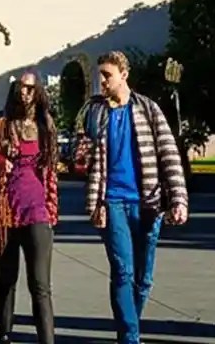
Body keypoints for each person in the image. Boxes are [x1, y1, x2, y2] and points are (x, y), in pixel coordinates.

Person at [80, 52, 188, 344]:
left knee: (144, 278)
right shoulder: (96, 112)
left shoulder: (147, 108)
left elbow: (169, 155)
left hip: (148, 202)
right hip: (112, 200)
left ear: (124, 74)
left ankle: (129, 328)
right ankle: (129, 338)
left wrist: (178, 198)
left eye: (107, 75)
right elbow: (87, 160)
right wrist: (95, 204)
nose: (101, 81)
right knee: (122, 270)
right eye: (99, 75)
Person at [0, 71, 59, 344]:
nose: (25, 93)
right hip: (5, 211)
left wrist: (52, 207)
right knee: (7, 279)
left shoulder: (46, 126)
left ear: (39, 93)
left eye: (30, 89)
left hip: (38, 212)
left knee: (40, 286)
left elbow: (51, 171)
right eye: (21, 88)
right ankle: (4, 335)